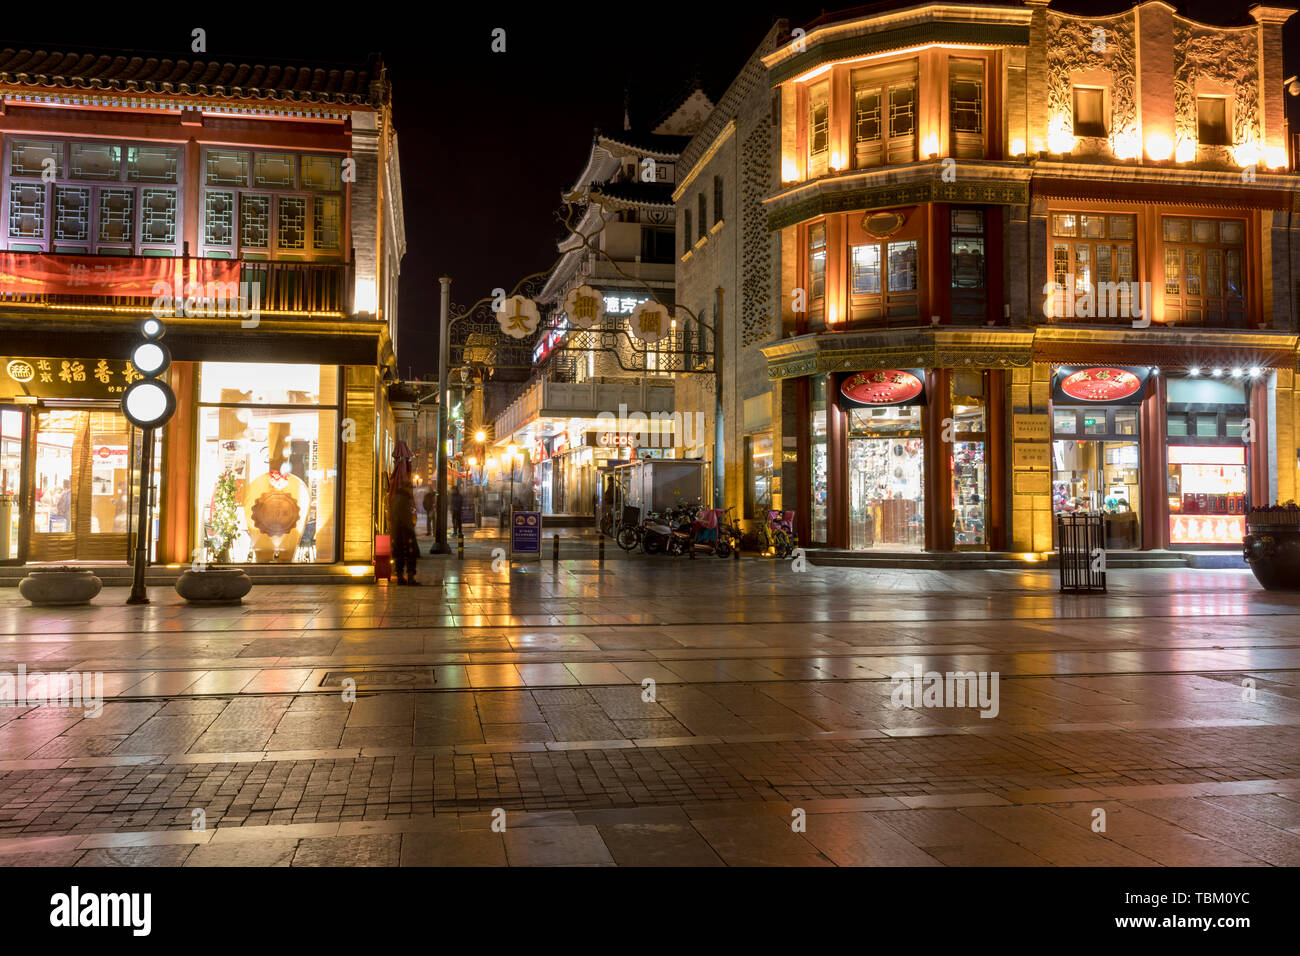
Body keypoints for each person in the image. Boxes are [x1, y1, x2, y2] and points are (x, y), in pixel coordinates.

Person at [390, 478, 419, 585]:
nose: (411, 490)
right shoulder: (403, 499)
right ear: (406, 488)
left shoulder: (396, 498)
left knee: (399, 554)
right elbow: (405, 517)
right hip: (405, 532)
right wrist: (410, 527)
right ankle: (410, 578)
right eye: (410, 488)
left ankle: (400, 577)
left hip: (397, 531)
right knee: (411, 554)